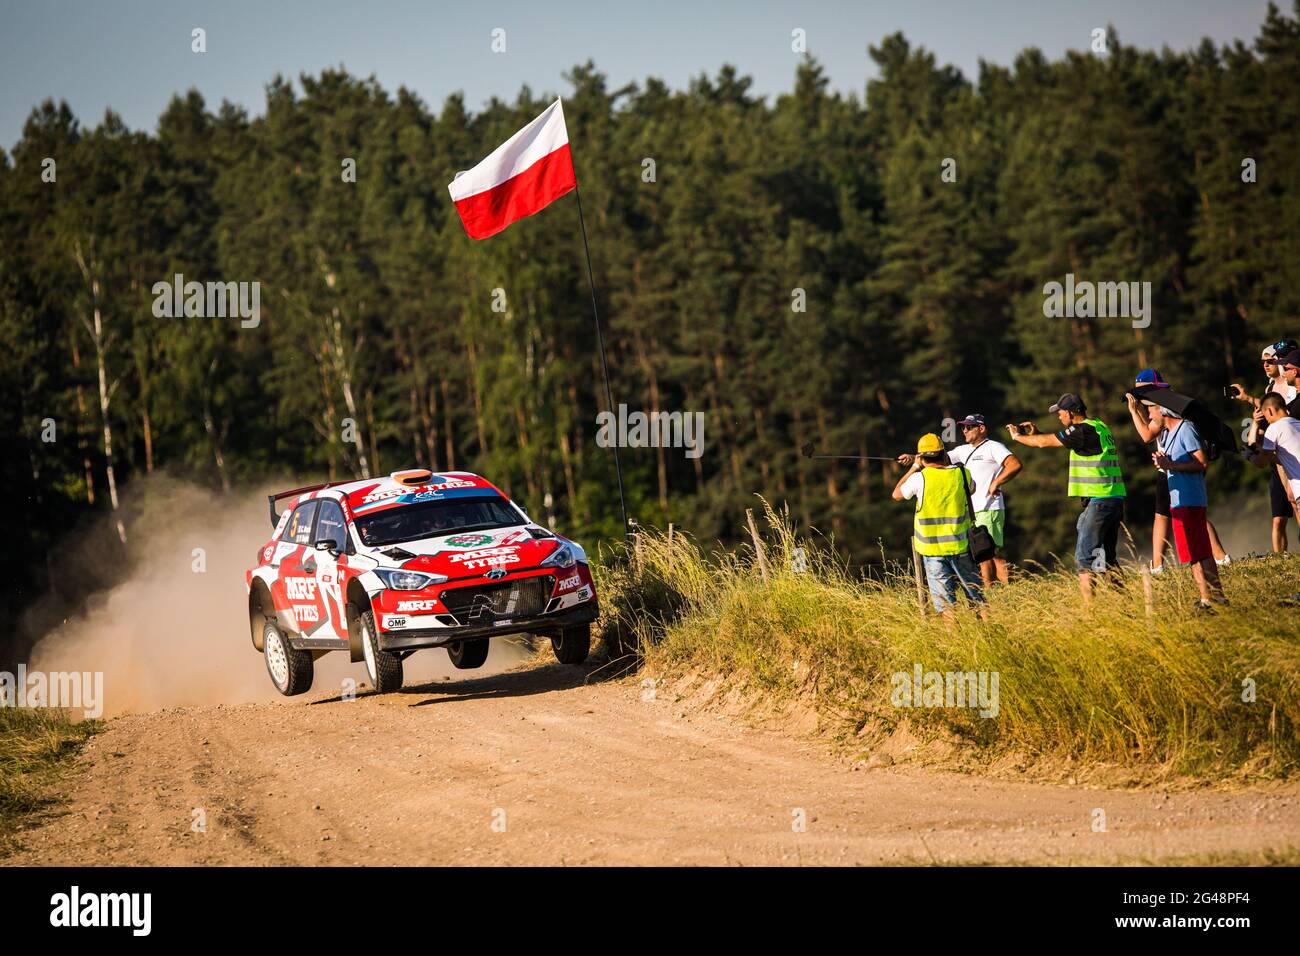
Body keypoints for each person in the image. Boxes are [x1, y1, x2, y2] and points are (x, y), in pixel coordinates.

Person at [1005, 393, 1126, 604]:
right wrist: (1039, 433)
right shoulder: (1098, 426)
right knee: (1105, 559)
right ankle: (1125, 604)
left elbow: (1044, 444)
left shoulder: (1082, 430)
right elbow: (1060, 440)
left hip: (1099, 501)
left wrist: (1018, 437)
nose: (1058, 416)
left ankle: (1090, 614)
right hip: (1112, 499)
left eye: (1060, 413)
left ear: (1071, 413)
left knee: (1084, 559)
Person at [1125, 369, 1229, 572]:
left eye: (1140, 390)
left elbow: (1147, 435)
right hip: (1172, 465)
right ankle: (1219, 555)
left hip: (1172, 466)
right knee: (1188, 514)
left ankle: (1158, 565)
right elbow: (1152, 429)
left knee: (1165, 515)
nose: (1138, 395)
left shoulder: (1161, 404)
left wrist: (1133, 411)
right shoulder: (1166, 401)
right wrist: (1139, 410)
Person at [892, 433, 987, 621]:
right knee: (978, 598)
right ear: (943, 453)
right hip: (960, 547)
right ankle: (990, 634)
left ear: (922, 457)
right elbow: (973, 488)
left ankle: (954, 644)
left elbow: (896, 494)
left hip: (932, 550)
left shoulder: (920, 479)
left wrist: (914, 466)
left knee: (946, 605)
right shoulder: (961, 474)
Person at [1145, 401, 1227, 608]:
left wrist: (1170, 464)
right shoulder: (1170, 433)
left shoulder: (1186, 428)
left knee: (1198, 551)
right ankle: (1210, 598)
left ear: (1163, 410)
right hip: (1180, 501)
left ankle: (1211, 598)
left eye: (1151, 409)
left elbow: (1201, 462)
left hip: (1190, 500)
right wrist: (1165, 462)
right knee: (1194, 553)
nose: (1149, 416)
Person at [1230, 340, 1297, 552]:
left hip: (1285, 449)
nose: (1267, 365)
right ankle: (1280, 557)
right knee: (1282, 510)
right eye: (1264, 362)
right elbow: (1271, 407)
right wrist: (1249, 400)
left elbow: (1279, 413)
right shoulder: (1270, 387)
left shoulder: (1292, 386)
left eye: (1271, 360)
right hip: (1278, 452)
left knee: (1293, 498)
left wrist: (1252, 450)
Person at [945, 413, 1022, 585]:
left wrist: (996, 482)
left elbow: (1015, 464)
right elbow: (938, 459)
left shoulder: (993, 447)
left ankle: (999, 591)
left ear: (981, 428)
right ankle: (999, 592)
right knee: (985, 553)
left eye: (969, 427)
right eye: (963, 427)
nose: (964, 430)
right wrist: (914, 459)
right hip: (974, 511)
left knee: (989, 552)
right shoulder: (962, 450)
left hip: (989, 507)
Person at [1245, 393, 1300, 527]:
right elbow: (1285, 459)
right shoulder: (1297, 424)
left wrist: (1249, 455)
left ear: (1269, 410)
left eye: (1266, 416)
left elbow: (1262, 462)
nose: (1267, 421)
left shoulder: (1274, 428)